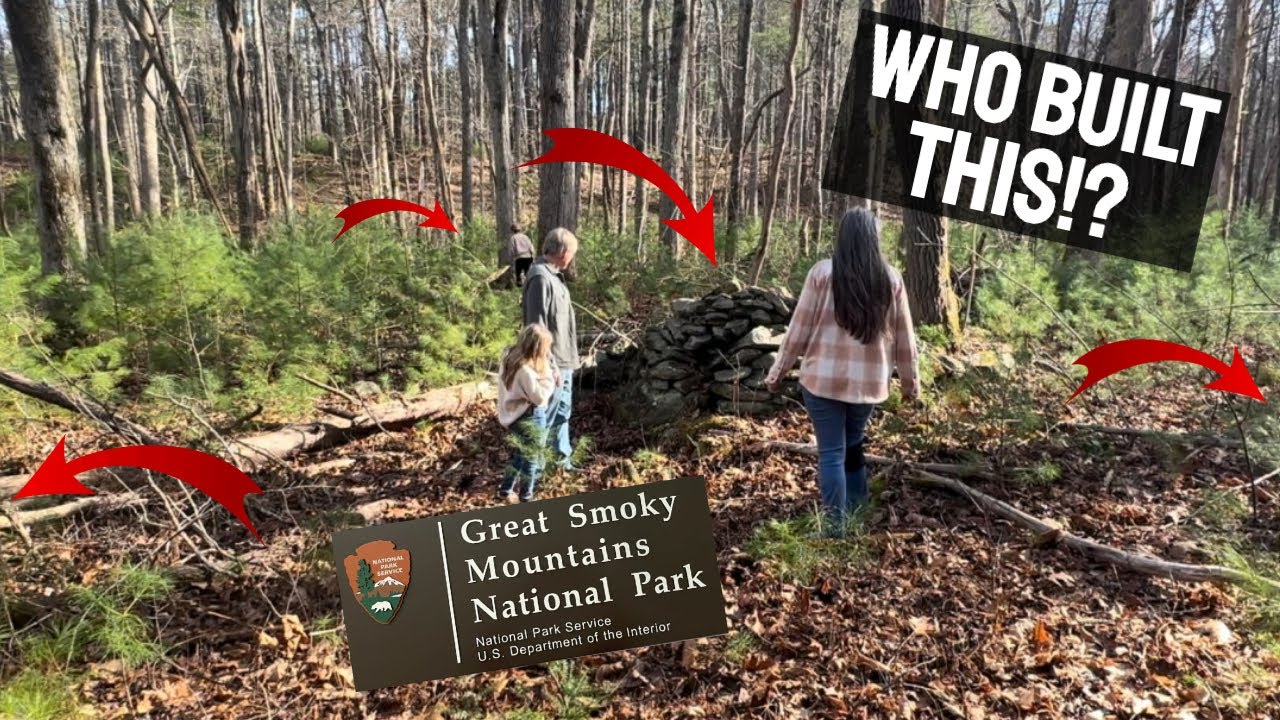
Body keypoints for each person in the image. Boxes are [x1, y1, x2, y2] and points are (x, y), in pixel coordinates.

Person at [765, 207, 920, 536]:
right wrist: (911, 385)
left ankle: (835, 528)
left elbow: (798, 331)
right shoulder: (890, 278)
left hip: (822, 381)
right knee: (853, 445)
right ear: (873, 239)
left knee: (832, 452)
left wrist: (778, 373)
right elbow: (906, 338)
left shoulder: (821, 274)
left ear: (843, 237)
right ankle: (857, 512)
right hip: (869, 384)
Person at [522, 227, 579, 473]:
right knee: (546, 416)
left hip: (565, 361)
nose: (572, 259)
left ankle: (561, 463)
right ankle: (538, 469)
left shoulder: (553, 276)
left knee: (562, 414)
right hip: (552, 364)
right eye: (572, 253)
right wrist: (550, 366)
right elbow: (537, 327)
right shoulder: (540, 278)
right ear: (563, 252)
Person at [496, 324, 559, 503]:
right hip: (530, 415)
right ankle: (527, 496)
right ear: (537, 347)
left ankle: (505, 490)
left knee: (519, 454)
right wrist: (549, 378)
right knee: (532, 457)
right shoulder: (524, 371)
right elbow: (539, 397)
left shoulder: (509, 360)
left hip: (513, 416)